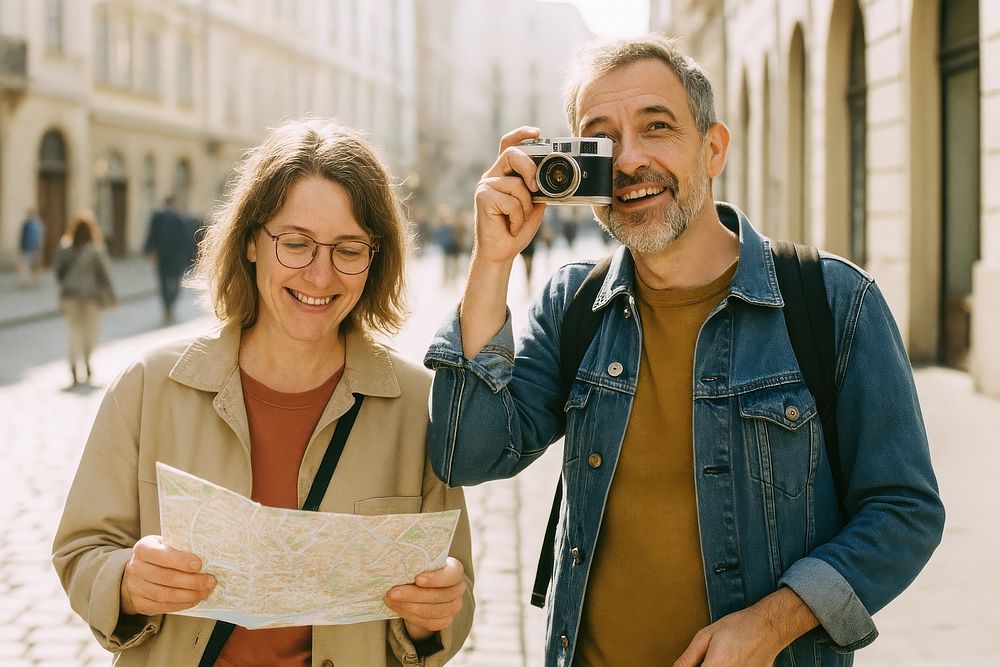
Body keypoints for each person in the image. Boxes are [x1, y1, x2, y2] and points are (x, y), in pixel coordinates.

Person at [423, 34, 944, 667]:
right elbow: (465, 452)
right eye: (602, 139)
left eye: (657, 127)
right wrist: (493, 261)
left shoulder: (833, 300)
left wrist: (773, 623)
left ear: (713, 147)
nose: (630, 160)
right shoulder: (575, 305)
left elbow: (903, 510)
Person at [52, 118, 474, 666]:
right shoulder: (150, 385)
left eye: (348, 250)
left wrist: (431, 615)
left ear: (376, 259)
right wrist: (127, 583)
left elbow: (453, 608)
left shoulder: (421, 407)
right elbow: (81, 550)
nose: (320, 276)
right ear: (252, 241)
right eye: (296, 244)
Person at [52, 211, 117, 386]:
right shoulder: (96, 249)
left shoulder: (66, 248)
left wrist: (66, 284)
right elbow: (105, 274)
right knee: (90, 333)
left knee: (73, 332)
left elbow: (57, 270)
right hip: (91, 298)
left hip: (70, 296)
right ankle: (87, 360)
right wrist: (112, 296)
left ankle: (74, 365)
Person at [144, 194, 194, 323]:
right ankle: (168, 305)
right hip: (167, 256)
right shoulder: (161, 217)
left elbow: (186, 240)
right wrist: (151, 251)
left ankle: (170, 304)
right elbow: (152, 234)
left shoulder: (179, 218)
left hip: (173, 256)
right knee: (167, 282)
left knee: (172, 282)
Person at [18, 208, 45, 287]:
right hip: (30, 248)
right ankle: (28, 281)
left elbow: (40, 236)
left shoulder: (36, 224)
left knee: (31, 265)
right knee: (28, 265)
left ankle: (32, 281)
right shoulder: (35, 224)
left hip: (32, 247)